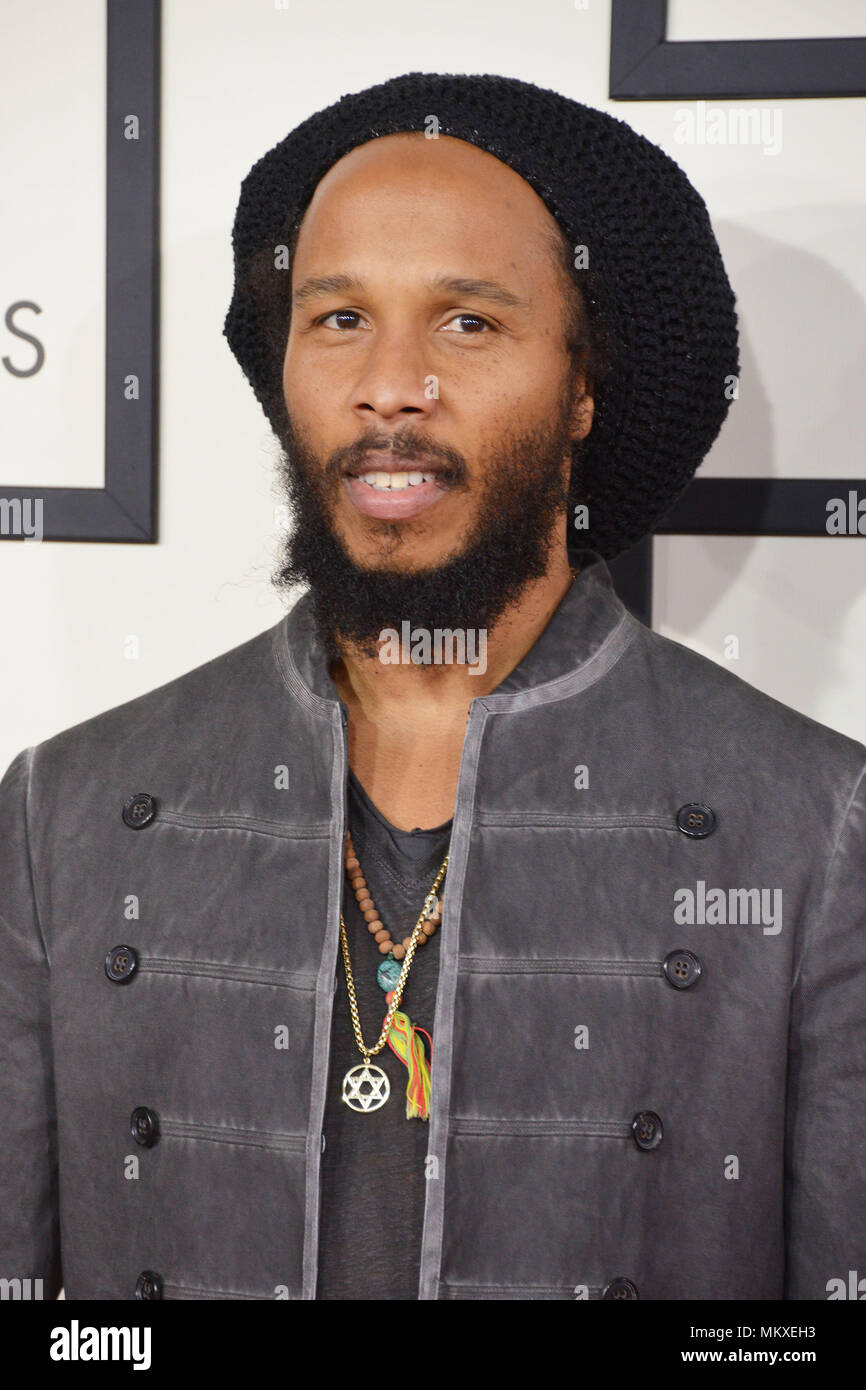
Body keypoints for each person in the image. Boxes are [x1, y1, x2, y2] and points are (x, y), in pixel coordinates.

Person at [1, 72, 863, 1302]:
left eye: (467, 322)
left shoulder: (810, 827)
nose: (389, 385)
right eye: (337, 317)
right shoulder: (62, 814)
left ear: (580, 387)